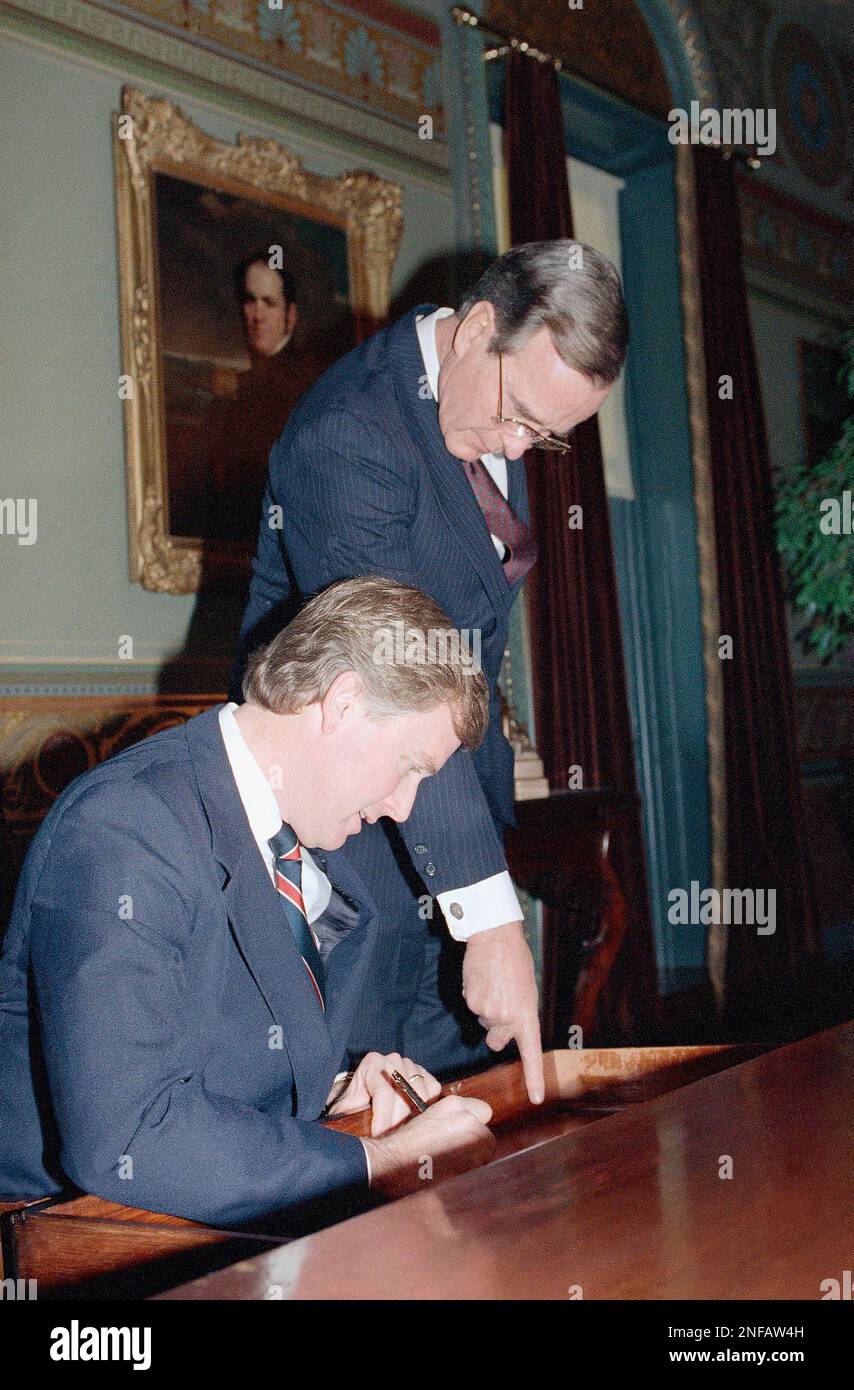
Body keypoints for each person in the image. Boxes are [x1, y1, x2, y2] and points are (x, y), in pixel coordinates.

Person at [229, 240, 629, 1097]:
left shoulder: (487, 408)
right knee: (358, 1125)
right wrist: (490, 921)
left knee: (460, 1127)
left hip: (452, 811)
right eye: (519, 413)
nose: (520, 452)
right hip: (345, 834)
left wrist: (479, 887)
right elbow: (396, 677)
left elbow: (467, 641)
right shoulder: (349, 433)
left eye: (547, 436)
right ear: (476, 328)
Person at [0, 578, 495, 1227]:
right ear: (344, 701)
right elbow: (127, 1136)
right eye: (409, 766)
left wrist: (339, 1092)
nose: (403, 807)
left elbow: (212, 1057)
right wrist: (379, 1160)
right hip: (64, 1229)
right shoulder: (127, 827)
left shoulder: (294, 839)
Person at [202, 254, 324, 543]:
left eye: (268, 303)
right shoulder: (246, 382)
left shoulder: (299, 382)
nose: (257, 316)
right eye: (250, 301)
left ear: (290, 316)